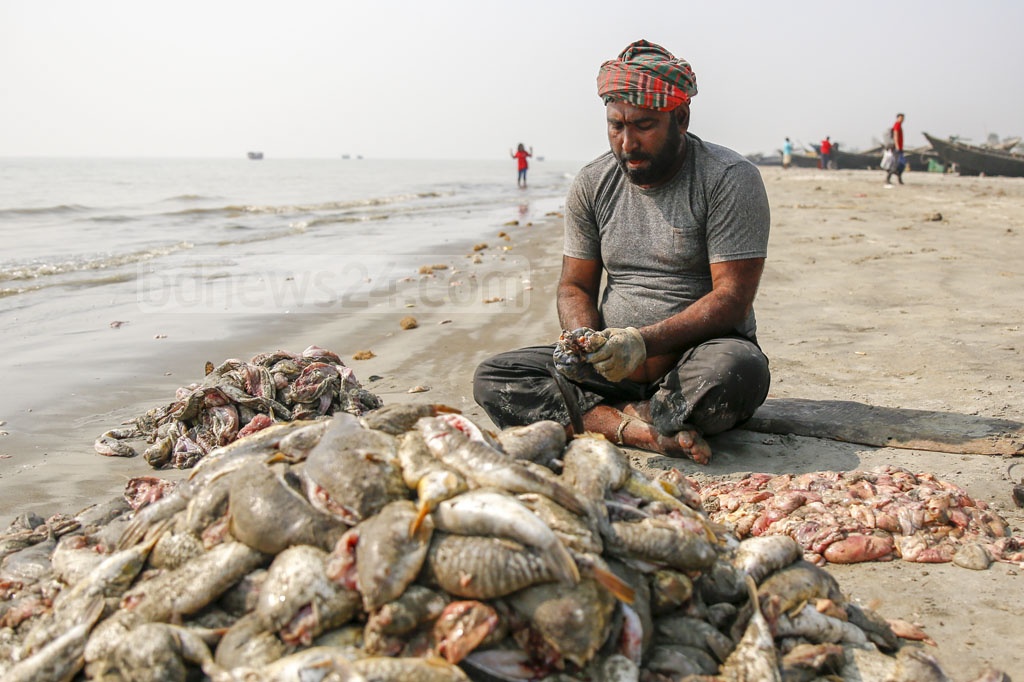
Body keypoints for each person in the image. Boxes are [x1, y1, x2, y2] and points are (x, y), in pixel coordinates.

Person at [473, 39, 771, 464]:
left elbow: (732, 299)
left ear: (680, 118)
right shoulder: (593, 182)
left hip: (693, 364)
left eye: (644, 126)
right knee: (496, 377)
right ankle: (641, 428)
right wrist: (584, 341)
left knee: (739, 372)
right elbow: (575, 285)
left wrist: (640, 342)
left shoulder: (728, 178)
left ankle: (612, 418)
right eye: (616, 125)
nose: (627, 143)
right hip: (610, 373)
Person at [885, 113, 906, 186]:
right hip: (897, 148)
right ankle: (888, 178)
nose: (902, 119)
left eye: (903, 118)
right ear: (897, 118)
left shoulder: (899, 125)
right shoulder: (897, 125)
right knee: (896, 164)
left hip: (899, 147)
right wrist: (897, 147)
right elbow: (895, 136)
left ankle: (899, 179)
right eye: (901, 118)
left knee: (900, 164)